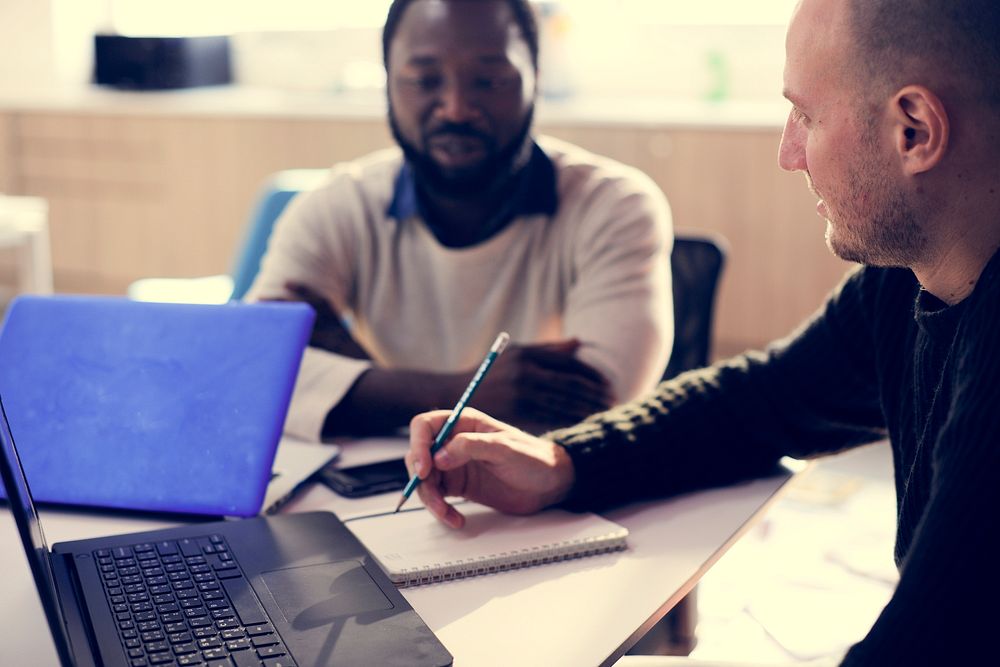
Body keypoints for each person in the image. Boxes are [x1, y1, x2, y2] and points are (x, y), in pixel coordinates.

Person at [404, 0, 1000, 663]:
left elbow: (932, 643)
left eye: (805, 114)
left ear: (915, 131)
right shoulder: (908, 276)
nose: (788, 153)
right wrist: (561, 463)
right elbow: (766, 399)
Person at [247, 0, 673, 440]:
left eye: (488, 80)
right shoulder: (336, 207)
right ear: (388, 83)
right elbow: (251, 371)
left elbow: (597, 406)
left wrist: (358, 376)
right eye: (424, 79)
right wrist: (464, 391)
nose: (455, 108)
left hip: (556, 501)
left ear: (537, 80)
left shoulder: (613, 206)